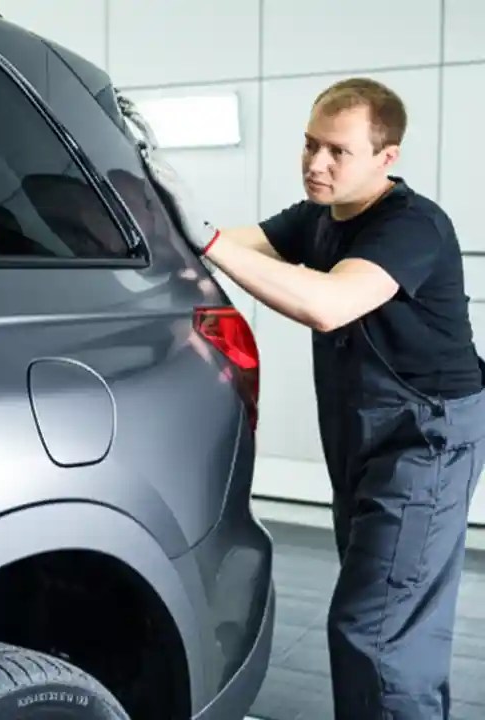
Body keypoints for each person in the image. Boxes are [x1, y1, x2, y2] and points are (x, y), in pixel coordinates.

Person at [146, 77, 485, 718]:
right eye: (309, 145)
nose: (316, 163)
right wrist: (150, 204)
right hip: (364, 434)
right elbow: (219, 245)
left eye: (337, 151)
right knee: (391, 611)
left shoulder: (413, 226)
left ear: (387, 159)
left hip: (427, 439)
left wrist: (209, 240)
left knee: (378, 629)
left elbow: (329, 305)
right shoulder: (318, 220)